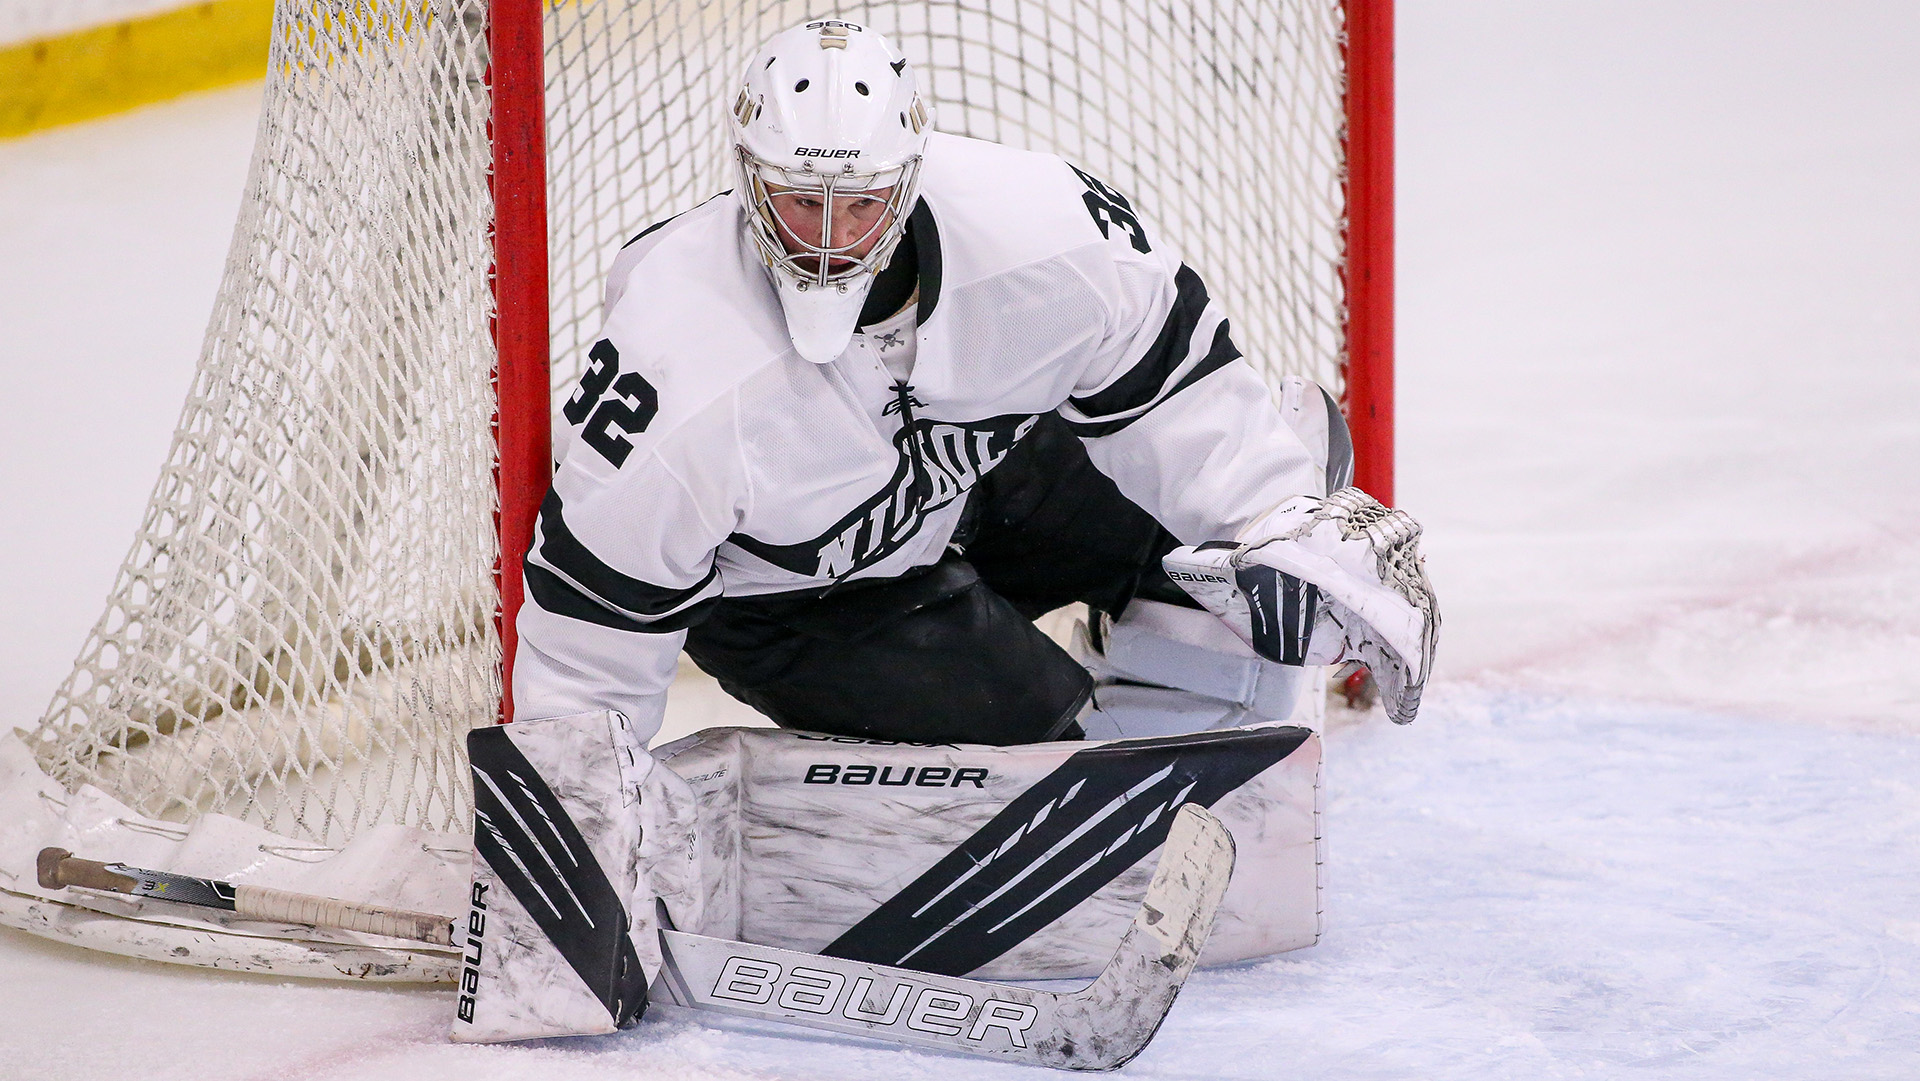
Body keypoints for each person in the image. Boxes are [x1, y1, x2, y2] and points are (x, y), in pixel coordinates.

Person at [512, 18, 1436, 747]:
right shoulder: (678, 370)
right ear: (749, 179)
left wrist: (1278, 519)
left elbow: (1182, 392)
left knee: (1230, 531)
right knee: (1046, 756)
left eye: (860, 202)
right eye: (800, 200)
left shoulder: (1045, 232)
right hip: (799, 601)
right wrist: (573, 832)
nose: (830, 237)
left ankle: (1189, 686)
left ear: (910, 181)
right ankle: (1054, 739)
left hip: (969, 482)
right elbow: (589, 648)